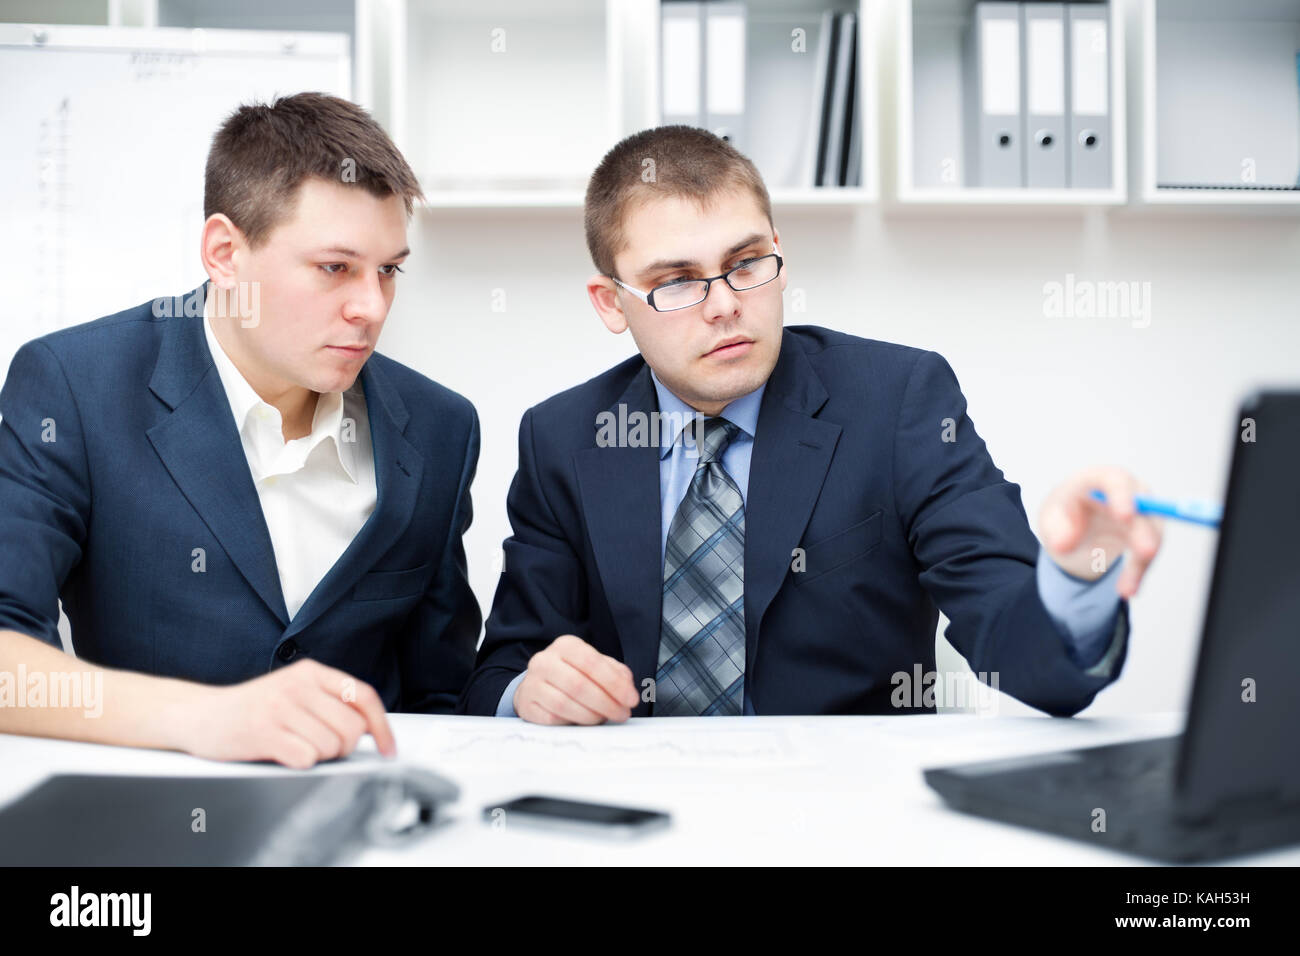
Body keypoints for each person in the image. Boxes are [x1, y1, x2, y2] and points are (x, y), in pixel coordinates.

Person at [460, 125, 1163, 723]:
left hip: (853, 815)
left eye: (745, 264)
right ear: (611, 304)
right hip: (642, 817)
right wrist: (532, 691)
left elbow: (1028, 657)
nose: (725, 305)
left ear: (778, 251)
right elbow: (501, 672)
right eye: (676, 281)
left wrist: (1076, 577)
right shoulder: (562, 437)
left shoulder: (898, 402)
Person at [0, 93, 481, 767]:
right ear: (225, 253)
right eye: (334, 268)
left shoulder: (440, 427)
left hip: (364, 822)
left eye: (389, 271)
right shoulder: (74, 386)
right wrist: (204, 718)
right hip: (153, 821)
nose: (372, 307)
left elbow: (443, 695)